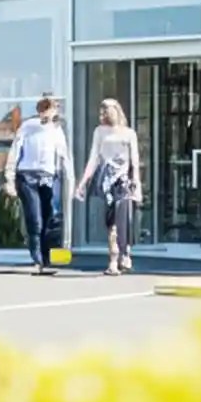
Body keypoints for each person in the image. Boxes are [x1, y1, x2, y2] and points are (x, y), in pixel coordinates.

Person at [3, 94, 74, 275]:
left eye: (51, 109)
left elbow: (64, 155)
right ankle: (37, 258)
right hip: (27, 175)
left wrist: (70, 179)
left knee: (49, 216)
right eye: (45, 109)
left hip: (48, 176)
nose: (48, 113)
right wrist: (10, 178)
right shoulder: (28, 127)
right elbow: (15, 151)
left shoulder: (56, 130)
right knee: (35, 218)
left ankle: (46, 257)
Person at [75, 98, 141, 275]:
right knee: (111, 222)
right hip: (107, 181)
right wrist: (83, 182)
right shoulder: (100, 132)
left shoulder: (129, 133)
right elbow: (93, 158)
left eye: (107, 111)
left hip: (125, 181)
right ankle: (113, 259)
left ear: (116, 111)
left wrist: (136, 183)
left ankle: (125, 254)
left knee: (124, 219)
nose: (103, 115)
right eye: (102, 112)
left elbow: (134, 160)